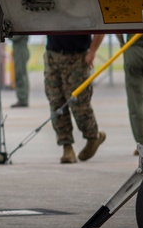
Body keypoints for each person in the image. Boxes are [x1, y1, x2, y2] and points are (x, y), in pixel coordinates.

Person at [44, 34, 106, 164]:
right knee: (56, 103)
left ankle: (92, 137)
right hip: (52, 56)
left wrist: (92, 52)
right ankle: (67, 147)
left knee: (80, 104)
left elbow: (100, 30)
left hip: (77, 57)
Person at [11, 35, 29, 107]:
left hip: (20, 50)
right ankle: (22, 98)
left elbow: (16, 36)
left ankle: (22, 98)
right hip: (19, 49)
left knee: (20, 73)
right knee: (21, 73)